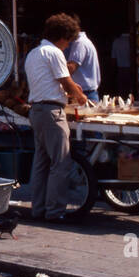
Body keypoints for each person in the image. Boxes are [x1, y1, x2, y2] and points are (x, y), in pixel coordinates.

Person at [24, 12, 89, 222]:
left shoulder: (34, 53)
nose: (67, 46)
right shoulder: (54, 53)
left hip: (37, 110)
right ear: (63, 37)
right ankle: (55, 212)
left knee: (42, 162)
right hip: (51, 112)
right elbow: (65, 81)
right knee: (61, 163)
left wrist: (71, 88)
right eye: (68, 41)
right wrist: (80, 96)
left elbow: (53, 81)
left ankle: (39, 209)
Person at [65, 17, 101, 100]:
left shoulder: (80, 43)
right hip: (85, 91)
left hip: (85, 92)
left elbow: (71, 67)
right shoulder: (79, 42)